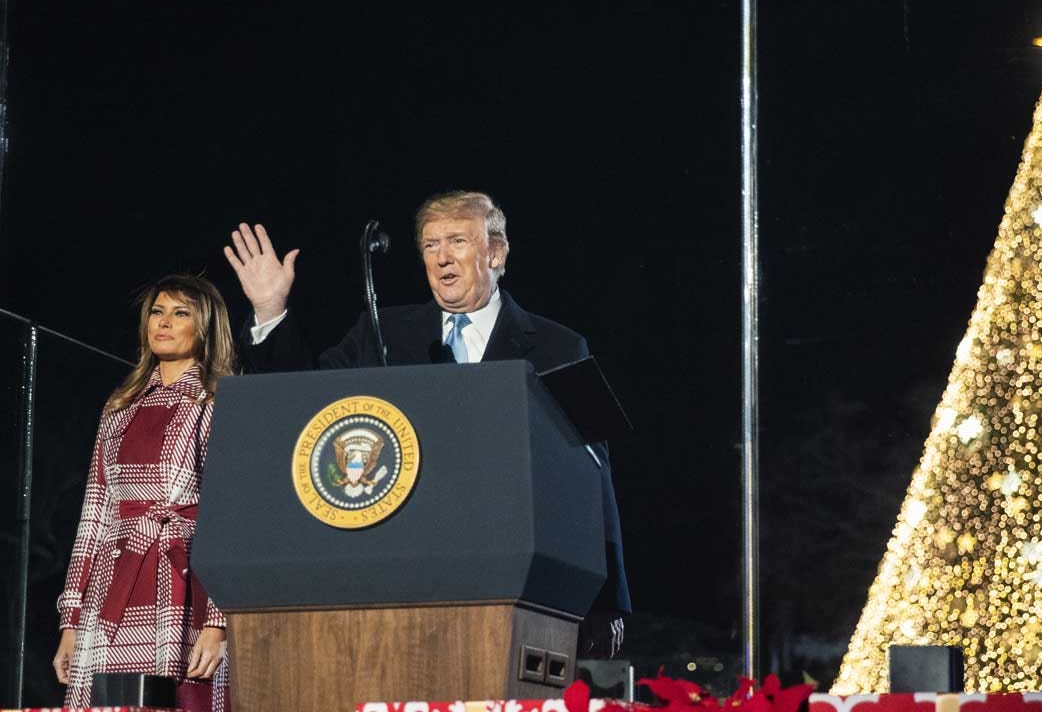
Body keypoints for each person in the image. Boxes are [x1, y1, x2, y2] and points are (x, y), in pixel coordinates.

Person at [223, 190, 630, 657]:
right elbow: (304, 401)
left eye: (458, 241)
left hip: (516, 581)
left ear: (496, 253)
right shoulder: (382, 333)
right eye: (431, 245)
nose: (442, 257)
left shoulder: (558, 347)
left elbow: (592, 476)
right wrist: (271, 310)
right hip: (400, 575)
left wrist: (607, 599)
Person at [52, 275, 236, 711]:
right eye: (157, 312)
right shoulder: (120, 406)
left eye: (180, 313)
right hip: (114, 581)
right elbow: (93, 516)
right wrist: (70, 622)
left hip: (184, 579)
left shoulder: (218, 401)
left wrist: (218, 621)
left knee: (181, 698)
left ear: (205, 327)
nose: (164, 322)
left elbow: (228, 515)